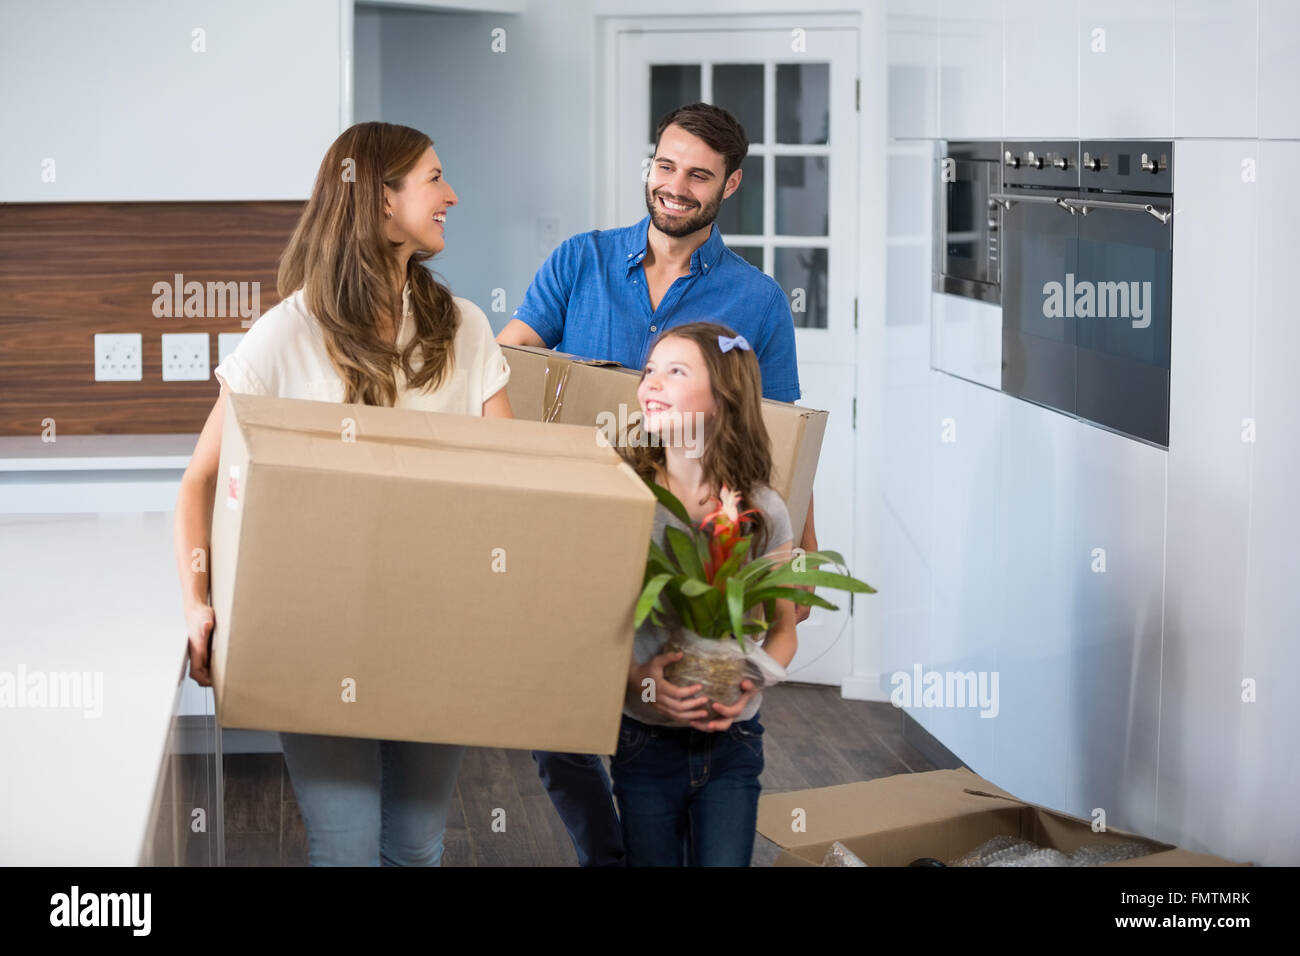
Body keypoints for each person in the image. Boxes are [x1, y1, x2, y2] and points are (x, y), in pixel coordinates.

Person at [173, 121, 513, 866]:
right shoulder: (285, 336)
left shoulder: (464, 330)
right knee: (347, 848)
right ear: (381, 200)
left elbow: (514, 482)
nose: (451, 194)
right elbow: (199, 479)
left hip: (438, 627)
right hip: (318, 631)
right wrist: (198, 600)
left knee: (417, 847)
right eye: (433, 178)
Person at [497, 102, 818, 866]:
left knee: (657, 709)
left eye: (698, 175)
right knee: (558, 734)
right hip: (577, 531)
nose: (675, 186)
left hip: (682, 536)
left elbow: (781, 436)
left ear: (729, 184)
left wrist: (800, 546)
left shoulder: (758, 301)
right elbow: (504, 367)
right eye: (665, 166)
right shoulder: (581, 260)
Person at [613, 321, 796, 866]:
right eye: (649, 371)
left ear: (722, 397)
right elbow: (592, 617)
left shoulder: (765, 508)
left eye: (675, 371)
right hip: (644, 737)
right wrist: (638, 679)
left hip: (733, 741)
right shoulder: (624, 495)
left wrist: (751, 681)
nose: (651, 383)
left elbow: (785, 628)